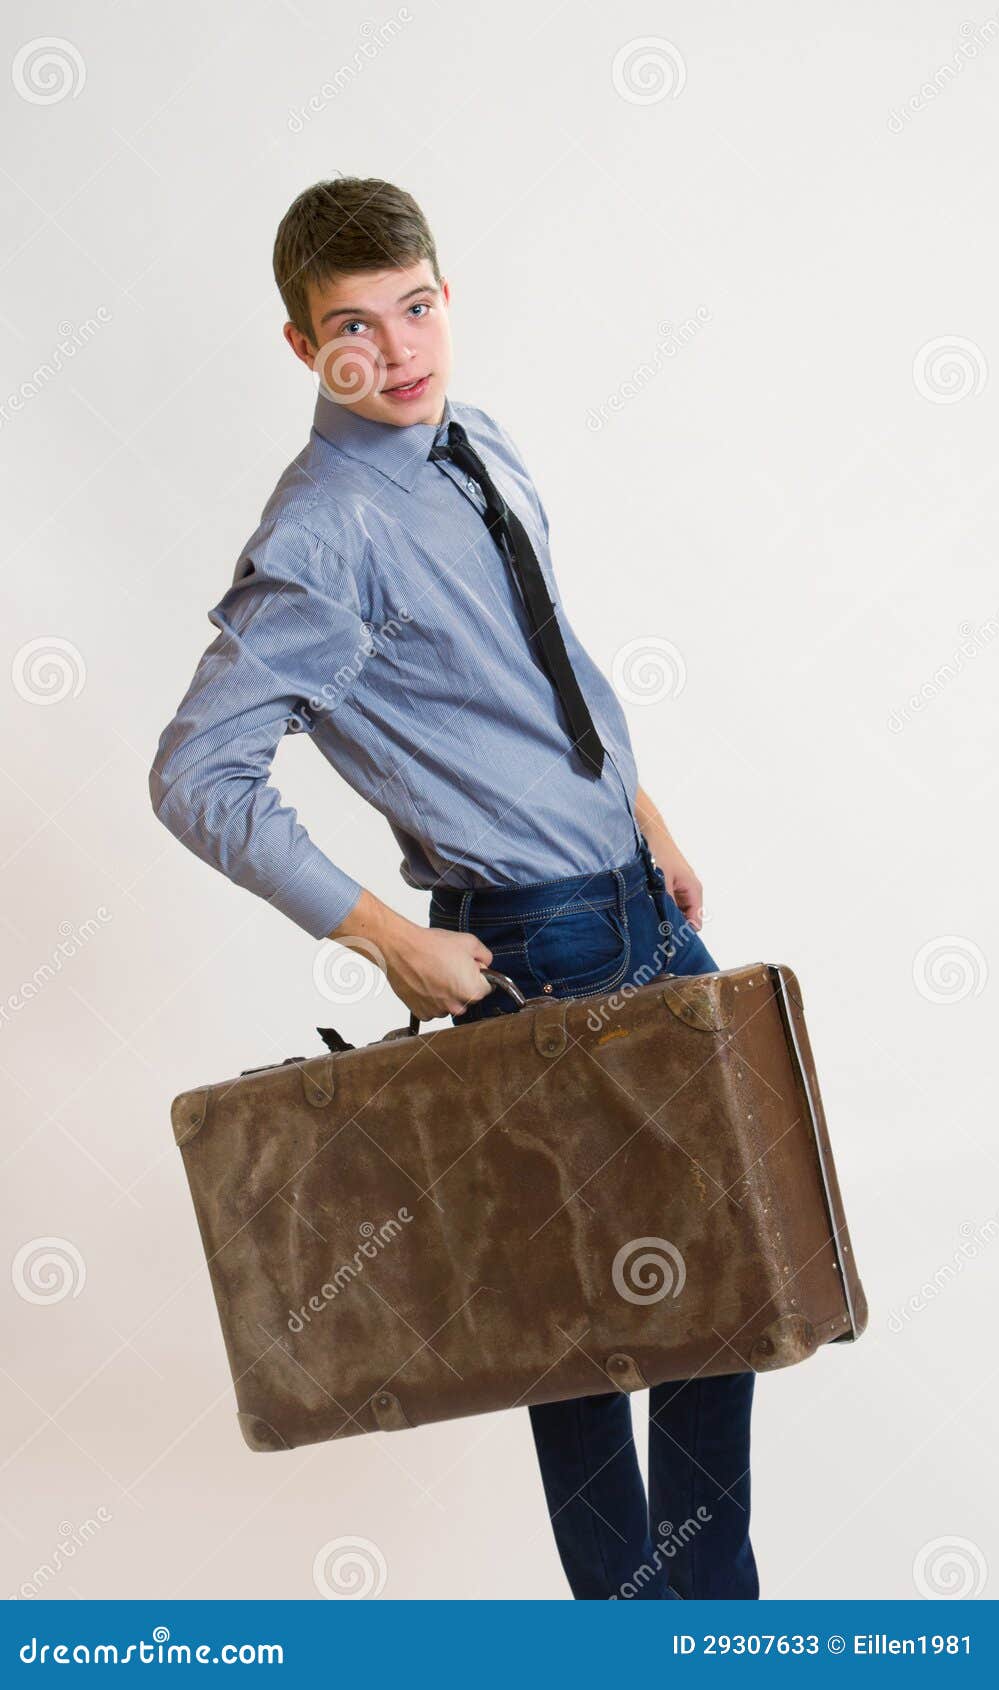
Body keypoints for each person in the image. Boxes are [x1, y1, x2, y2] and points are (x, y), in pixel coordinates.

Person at [148, 175, 758, 1601]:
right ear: (305, 350)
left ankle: (694, 1627)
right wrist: (378, 937)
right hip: (535, 942)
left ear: (444, 291)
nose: (401, 349)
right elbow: (196, 772)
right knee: (589, 1318)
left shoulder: (470, 438)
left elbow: (530, 646)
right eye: (354, 327)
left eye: (416, 305)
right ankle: (662, 1632)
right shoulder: (323, 529)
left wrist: (639, 804)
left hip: (635, 898)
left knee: (725, 1275)